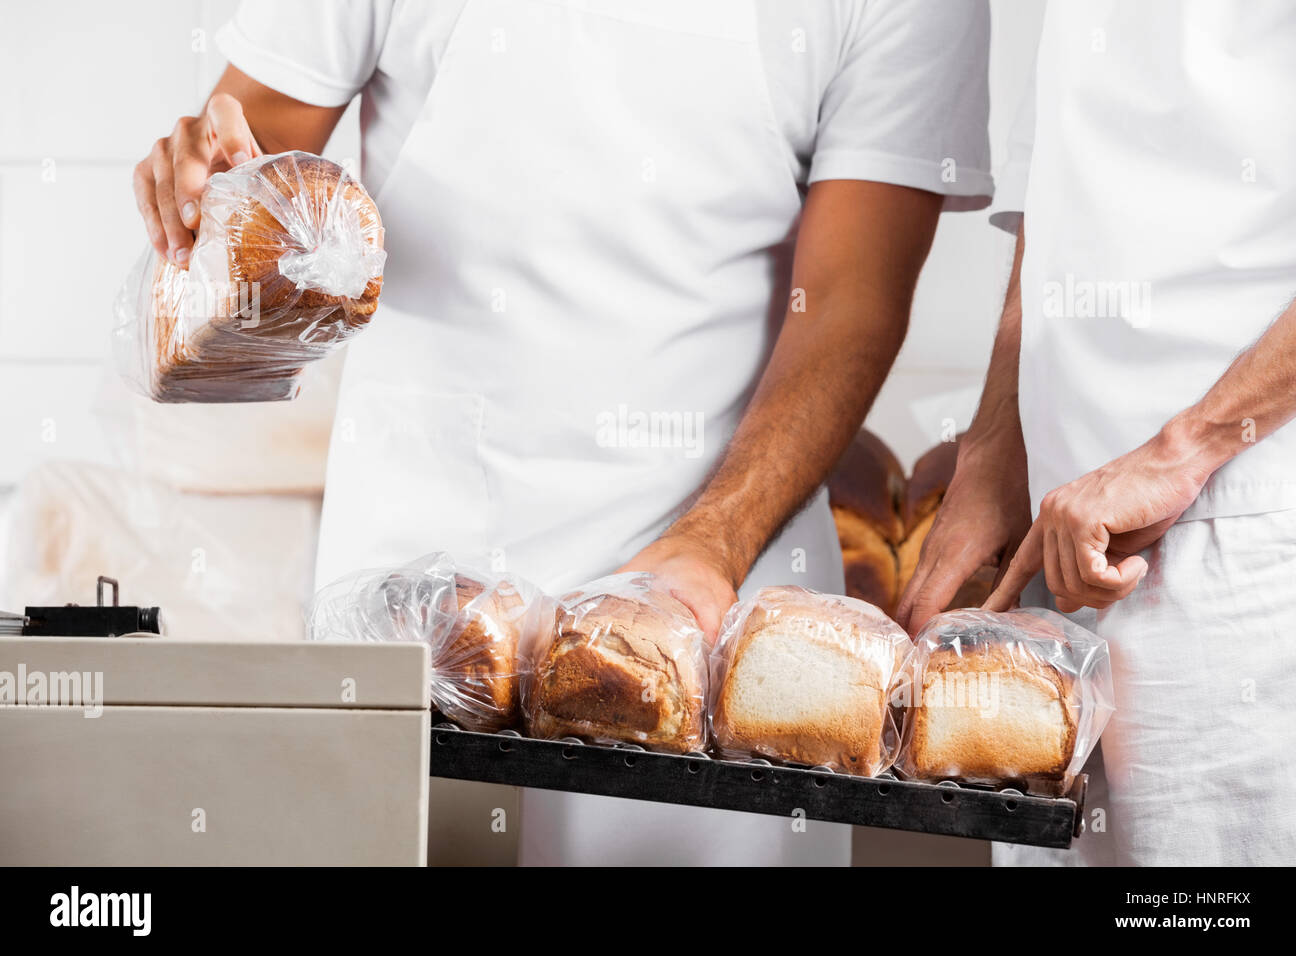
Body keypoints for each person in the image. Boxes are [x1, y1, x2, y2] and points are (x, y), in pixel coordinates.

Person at [135, 0, 992, 866]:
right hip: (420, 571)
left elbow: (851, 304)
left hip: (712, 582)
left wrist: (714, 543)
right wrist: (223, 185)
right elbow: (263, 149)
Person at [897, 0, 1296, 865]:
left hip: (1250, 554)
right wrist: (997, 446)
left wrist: (1189, 446)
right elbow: (1060, 181)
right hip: (1065, 552)